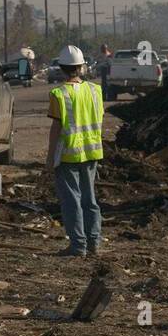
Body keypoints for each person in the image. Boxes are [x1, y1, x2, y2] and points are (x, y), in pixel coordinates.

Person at [46, 44, 104, 256]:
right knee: (90, 200)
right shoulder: (95, 90)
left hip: (68, 154)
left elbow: (56, 128)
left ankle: (78, 245)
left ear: (62, 68)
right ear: (81, 67)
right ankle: (94, 242)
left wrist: (50, 157)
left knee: (72, 201)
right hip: (92, 152)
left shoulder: (58, 94)